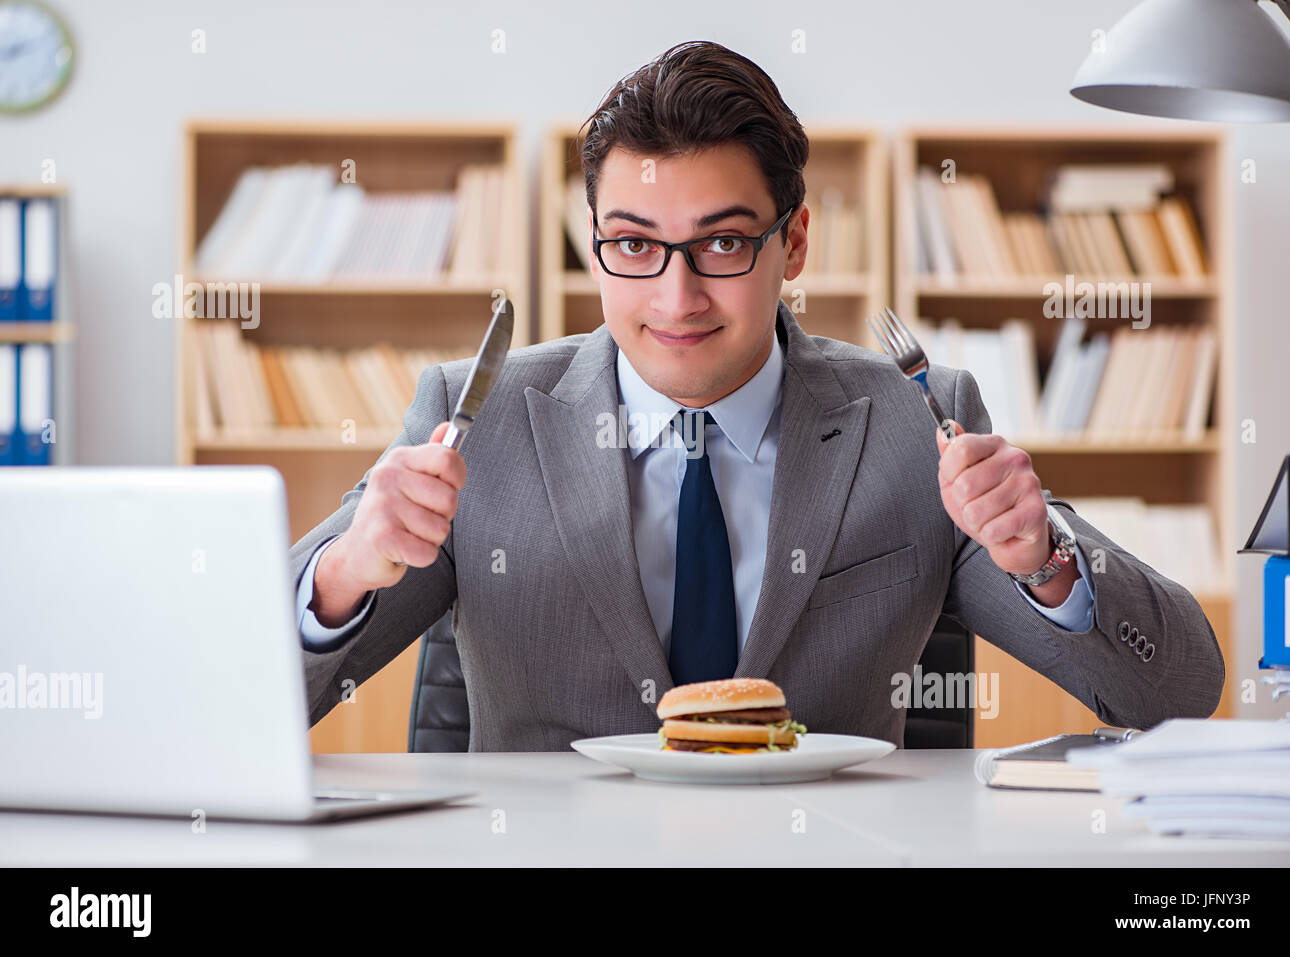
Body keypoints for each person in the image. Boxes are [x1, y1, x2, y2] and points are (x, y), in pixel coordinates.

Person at [290, 40, 1224, 750]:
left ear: (797, 241)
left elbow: (1178, 690)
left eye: (724, 243)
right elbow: (247, 701)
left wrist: (1047, 563)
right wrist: (340, 575)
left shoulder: (916, 421)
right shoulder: (477, 417)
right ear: (593, 244)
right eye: (635, 243)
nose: (676, 296)